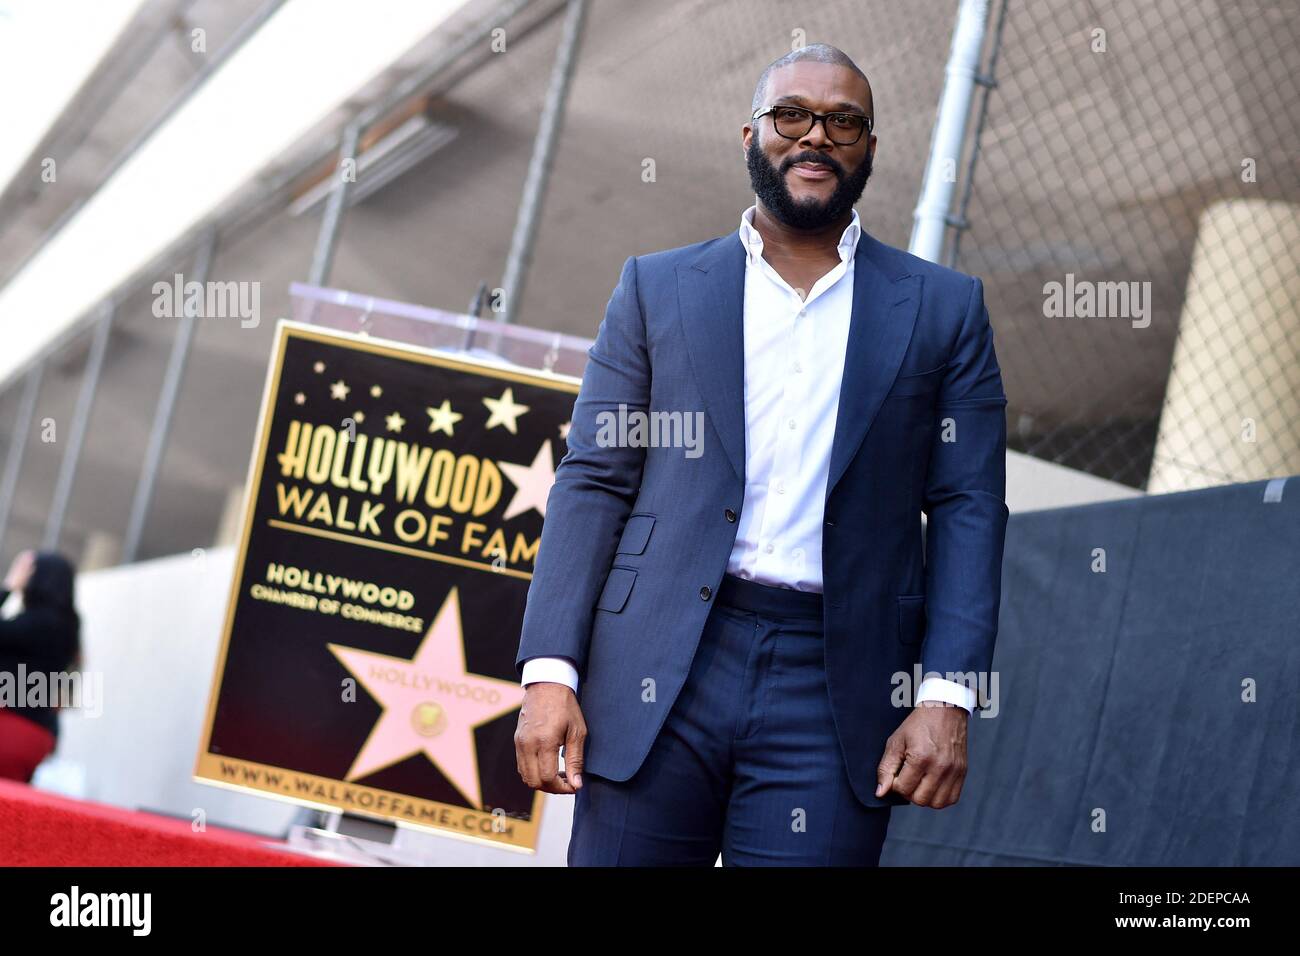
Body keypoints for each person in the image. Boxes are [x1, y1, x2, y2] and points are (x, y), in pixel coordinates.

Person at [513, 44, 1008, 865]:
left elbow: (968, 507)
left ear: (870, 149)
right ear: (753, 134)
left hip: (838, 686)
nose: (816, 136)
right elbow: (594, 479)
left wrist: (948, 693)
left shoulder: (944, 310)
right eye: (792, 116)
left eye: (843, 121)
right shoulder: (655, 288)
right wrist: (550, 672)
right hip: (659, 671)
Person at [0, 549, 82, 782]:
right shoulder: (67, 626)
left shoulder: (41, 623)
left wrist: (8, 587)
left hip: (11, 728)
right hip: (36, 733)